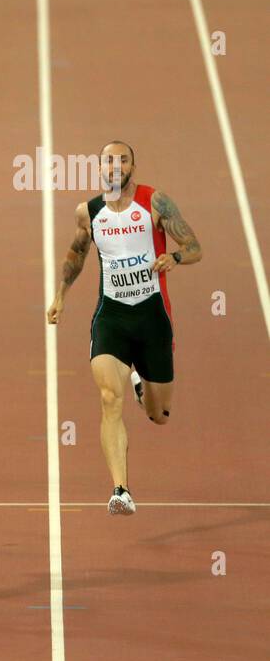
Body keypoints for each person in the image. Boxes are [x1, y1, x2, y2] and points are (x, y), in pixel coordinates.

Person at [47, 140, 201, 515]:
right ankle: (121, 490)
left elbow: (195, 246)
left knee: (158, 415)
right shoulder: (89, 212)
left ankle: (140, 385)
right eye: (109, 160)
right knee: (107, 399)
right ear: (100, 166)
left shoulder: (155, 202)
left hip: (152, 319)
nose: (116, 165)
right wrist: (60, 296)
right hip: (111, 318)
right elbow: (76, 255)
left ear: (133, 166)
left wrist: (175, 256)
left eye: (123, 159)